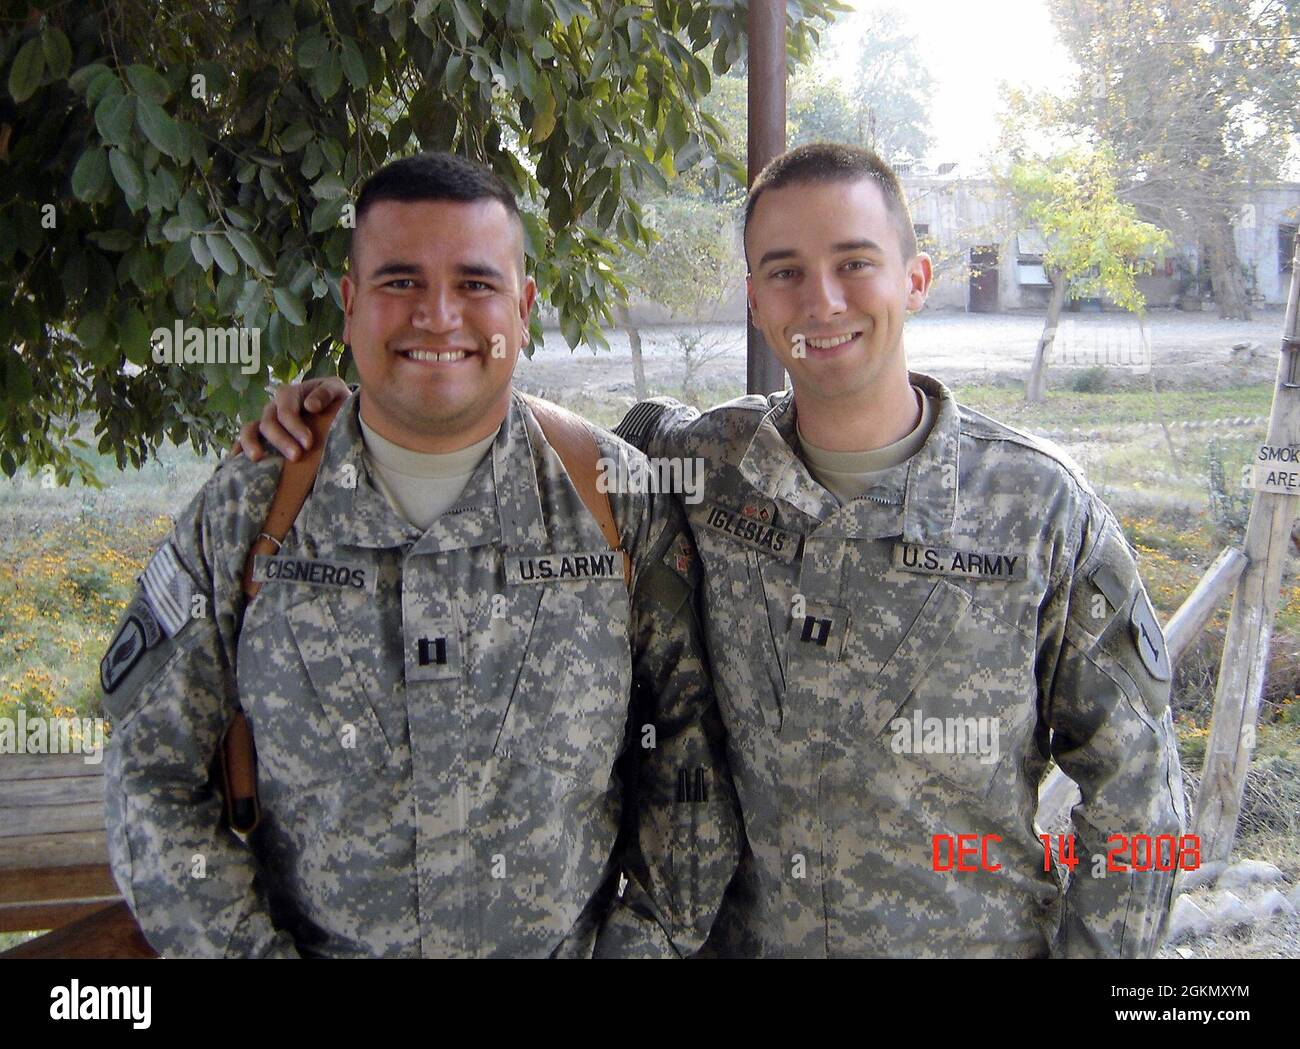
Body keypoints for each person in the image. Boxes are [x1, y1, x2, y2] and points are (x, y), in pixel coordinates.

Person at [242, 143, 1185, 958]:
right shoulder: (697, 465)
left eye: (855, 263)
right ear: (751, 295)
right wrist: (351, 405)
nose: (820, 300)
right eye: (783, 270)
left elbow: (1137, 791)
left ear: (915, 278)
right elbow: (490, 429)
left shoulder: (1037, 508)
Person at [101, 151, 739, 958]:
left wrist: (642, 946)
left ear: (525, 304)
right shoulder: (252, 507)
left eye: (476, 283)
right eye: (400, 281)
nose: (438, 316)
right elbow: (149, 775)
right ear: (349, 303)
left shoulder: (616, 500)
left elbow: (692, 748)